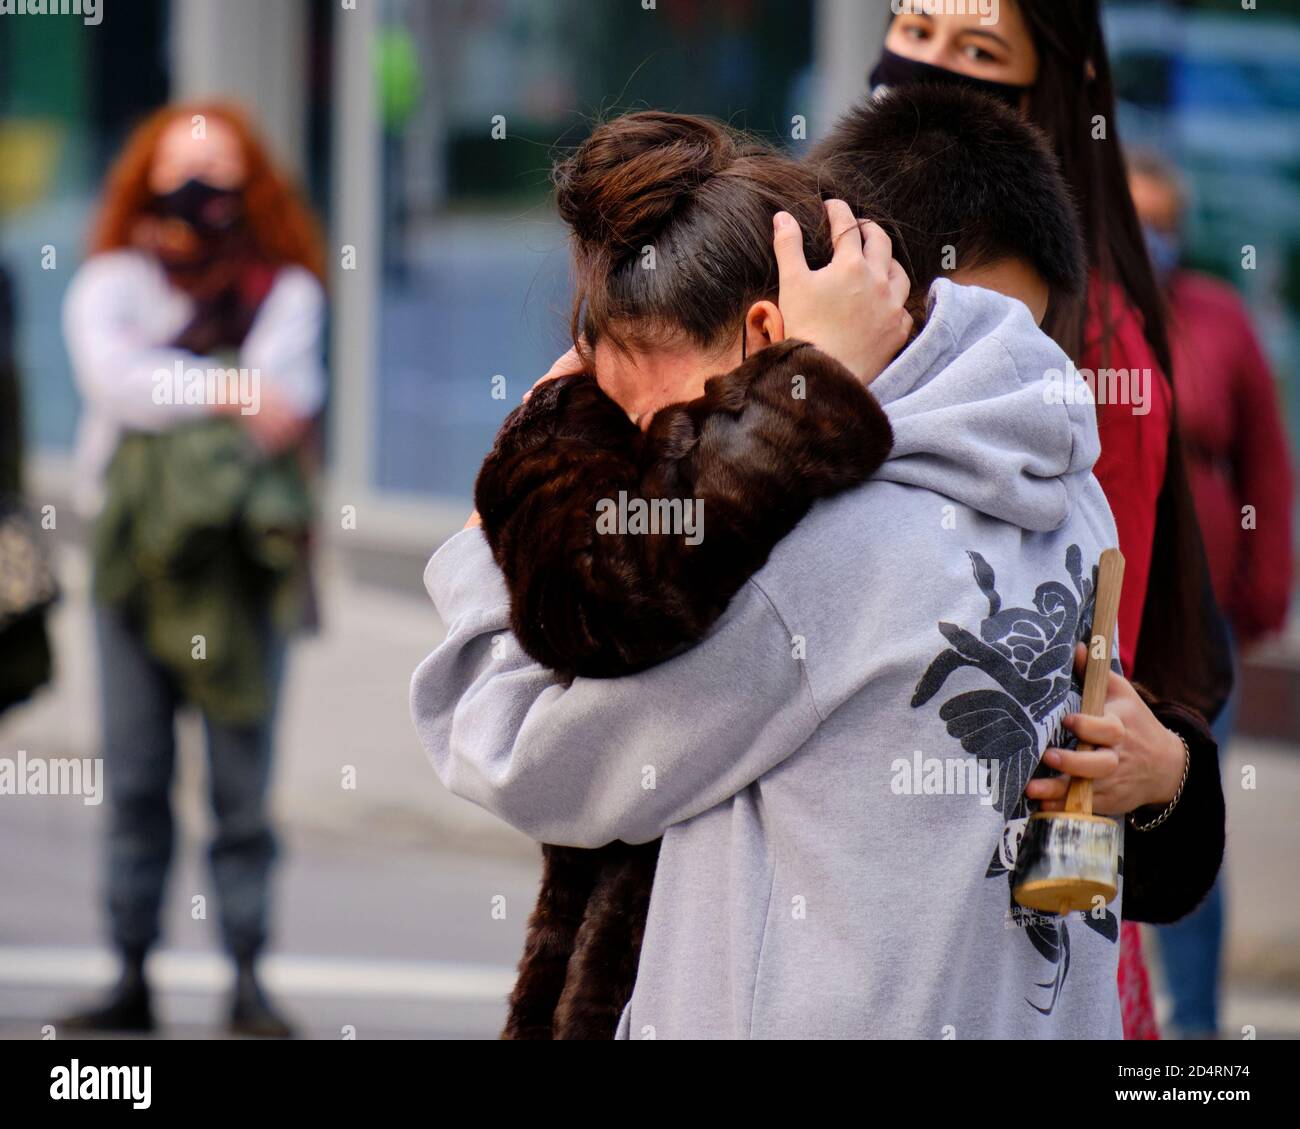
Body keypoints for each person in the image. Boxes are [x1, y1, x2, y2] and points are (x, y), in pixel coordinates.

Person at [412, 106, 1201, 1038]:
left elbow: (529, 755)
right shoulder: (1045, 458)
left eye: (647, 419)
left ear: (763, 331)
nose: (650, 461)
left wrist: (476, 555)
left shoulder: (811, 556)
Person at [868, 0, 1233, 1040]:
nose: (924, 67)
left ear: (1048, 98)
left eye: (978, 51)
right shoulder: (833, 277)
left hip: (998, 906)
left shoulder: (1091, 343)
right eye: (913, 29)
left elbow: (1083, 655)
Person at [60, 103, 327, 1037]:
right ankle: (129, 971)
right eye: (182, 165)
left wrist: (176, 385)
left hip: (239, 564)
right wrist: (229, 386)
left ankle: (247, 978)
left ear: (250, 181)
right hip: (132, 560)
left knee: (239, 789)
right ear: (146, 175)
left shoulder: (285, 287)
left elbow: (291, 398)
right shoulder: (112, 281)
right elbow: (112, 383)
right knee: (135, 779)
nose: (199, 186)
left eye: (218, 168)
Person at [1129, 148, 1295, 1038]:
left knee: (1188, 814)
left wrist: (1266, 584)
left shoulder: (1219, 321)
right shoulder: (1087, 315)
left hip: (1198, 621)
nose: (1150, 238)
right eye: (1134, 219)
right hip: (1108, 617)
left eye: (1165, 222)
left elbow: (1267, 460)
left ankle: (1191, 1040)